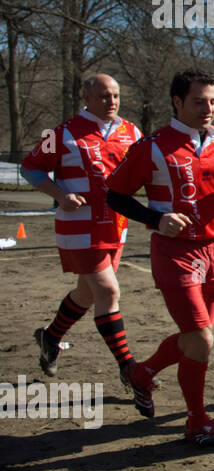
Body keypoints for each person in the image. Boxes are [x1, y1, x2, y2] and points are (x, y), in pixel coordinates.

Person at [106, 69, 214, 445]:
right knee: (201, 340)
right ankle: (198, 420)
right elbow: (115, 195)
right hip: (174, 252)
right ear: (177, 102)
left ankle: (142, 374)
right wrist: (156, 218)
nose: (208, 108)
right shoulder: (152, 145)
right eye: (199, 101)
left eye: (213, 102)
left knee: (196, 338)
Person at [21, 74, 146, 410]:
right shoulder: (60, 133)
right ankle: (129, 369)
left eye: (116, 95)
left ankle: (50, 337)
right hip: (78, 228)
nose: (112, 101)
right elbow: (30, 168)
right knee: (108, 292)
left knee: (88, 293)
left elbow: (147, 172)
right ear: (86, 97)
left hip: (115, 227)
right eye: (105, 95)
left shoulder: (131, 132)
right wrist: (60, 194)